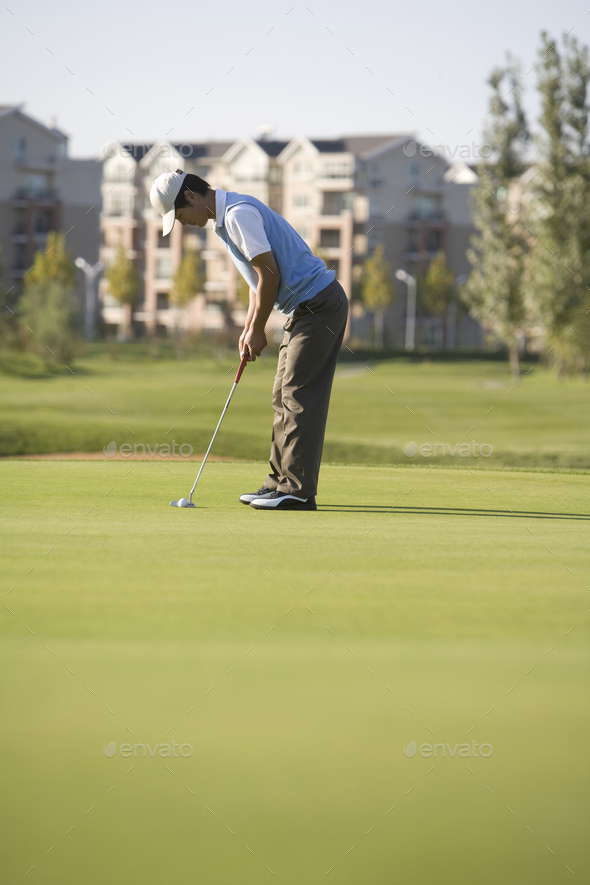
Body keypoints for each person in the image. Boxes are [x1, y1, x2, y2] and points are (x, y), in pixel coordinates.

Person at [150, 169, 348, 511]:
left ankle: (298, 491)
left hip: (319, 306)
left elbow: (270, 274)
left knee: (298, 396)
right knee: (281, 395)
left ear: (191, 197)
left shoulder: (238, 215)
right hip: (305, 309)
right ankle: (279, 483)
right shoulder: (224, 221)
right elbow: (258, 284)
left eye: (180, 215)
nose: (182, 224)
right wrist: (249, 327)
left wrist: (259, 330)